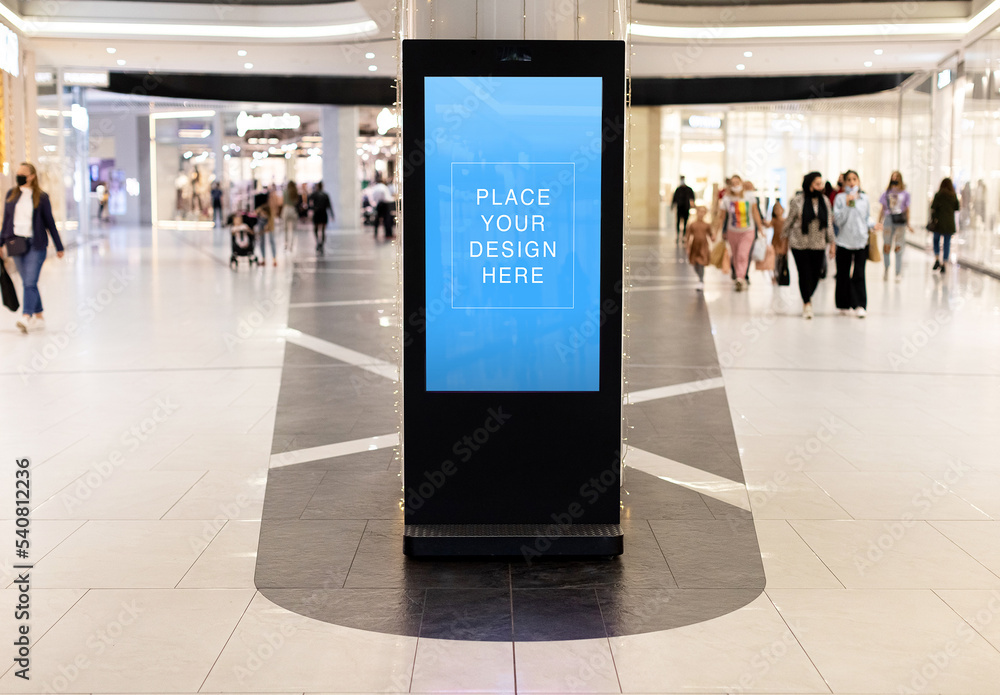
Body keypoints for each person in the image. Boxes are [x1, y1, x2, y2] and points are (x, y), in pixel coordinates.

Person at [0, 162, 65, 333]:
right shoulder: (11, 194)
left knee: (30, 281)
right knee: (29, 282)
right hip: (16, 244)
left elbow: (50, 222)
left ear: (32, 176)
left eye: (23, 174)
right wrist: (0, 243)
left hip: (36, 244)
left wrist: (59, 246)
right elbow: (6, 221)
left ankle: (26, 316)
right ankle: (39, 317)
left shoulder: (41, 197)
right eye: (18, 173)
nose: (19, 177)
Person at [784, 172, 836, 319]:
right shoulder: (797, 201)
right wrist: (782, 240)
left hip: (818, 244)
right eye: (817, 184)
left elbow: (829, 224)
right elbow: (789, 221)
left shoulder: (825, 201)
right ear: (809, 185)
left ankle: (807, 295)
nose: (821, 187)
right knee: (804, 273)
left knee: (816, 274)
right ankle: (807, 303)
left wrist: (832, 243)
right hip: (799, 244)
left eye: (821, 183)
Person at [832, 170, 874, 318]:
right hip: (844, 241)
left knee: (859, 273)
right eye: (848, 180)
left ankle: (860, 304)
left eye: (854, 179)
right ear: (844, 183)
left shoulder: (864, 198)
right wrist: (848, 205)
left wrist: (873, 225)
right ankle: (843, 304)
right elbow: (838, 221)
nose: (851, 182)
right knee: (843, 274)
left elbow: (867, 218)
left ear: (858, 181)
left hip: (861, 241)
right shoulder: (840, 198)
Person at [715, 174, 766, 292]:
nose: (735, 186)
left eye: (737, 183)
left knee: (743, 255)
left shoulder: (749, 197)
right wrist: (716, 232)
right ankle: (738, 275)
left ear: (741, 183)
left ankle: (740, 278)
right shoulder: (727, 199)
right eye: (733, 184)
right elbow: (722, 217)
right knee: (735, 255)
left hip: (748, 231)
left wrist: (760, 229)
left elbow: (755, 213)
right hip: (732, 231)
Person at [878, 171, 912, 281]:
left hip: (900, 220)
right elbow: (882, 208)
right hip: (888, 219)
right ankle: (886, 268)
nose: (895, 179)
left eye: (897, 177)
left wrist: (908, 223)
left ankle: (898, 272)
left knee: (898, 246)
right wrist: (879, 222)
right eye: (893, 177)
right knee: (886, 245)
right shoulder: (886, 193)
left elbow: (907, 209)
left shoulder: (905, 194)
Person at [930, 177, 960, 274]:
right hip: (949, 223)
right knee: (947, 243)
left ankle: (937, 259)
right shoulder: (953, 196)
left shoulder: (938, 195)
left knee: (936, 240)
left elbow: (933, 208)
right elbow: (957, 208)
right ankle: (944, 263)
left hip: (938, 222)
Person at [685, 206, 714, 290]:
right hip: (695, 246)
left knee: (701, 263)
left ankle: (701, 280)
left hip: (703, 246)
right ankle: (699, 277)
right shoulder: (692, 224)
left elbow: (711, 235)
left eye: (703, 212)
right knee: (695, 263)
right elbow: (688, 236)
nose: (701, 214)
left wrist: (713, 237)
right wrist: (687, 246)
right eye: (700, 212)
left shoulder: (707, 225)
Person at [367, 176, 395, 240]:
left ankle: (375, 233)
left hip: (379, 204)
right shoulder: (384, 187)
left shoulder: (375, 188)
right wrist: (393, 199)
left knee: (377, 219)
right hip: (385, 205)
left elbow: (373, 197)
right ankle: (388, 234)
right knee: (387, 219)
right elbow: (387, 198)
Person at [309, 182, 333, 253]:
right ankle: (321, 244)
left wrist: (312, 208)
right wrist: (332, 215)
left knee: (316, 229)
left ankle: (318, 242)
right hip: (323, 213)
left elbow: (309, 201)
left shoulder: (314, 194)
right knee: (323, 230)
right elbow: (329, 206)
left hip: (317, 213)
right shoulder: (325, 195)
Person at [671, 176, 695, 243]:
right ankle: (678, 236)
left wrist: (693, 205)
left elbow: (692, 198)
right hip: (679, 208)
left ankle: (684, 236)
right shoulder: (678, 189)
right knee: (678, 222)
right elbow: (674, 198)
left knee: (685, 223)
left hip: (686, 208)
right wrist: (672, 206)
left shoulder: (688, 189)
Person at [770, 198, 788, 286]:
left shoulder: (785, 221)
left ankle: (781, 274)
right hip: (775, 241)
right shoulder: (774, 220)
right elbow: (768, 224)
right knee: (775, 259)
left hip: (783, 242)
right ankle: (775, 274)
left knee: (783, 259)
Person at [282, 181, 299, 251]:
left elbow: (283, 202)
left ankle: (286, 244)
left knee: (285, 228)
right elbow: (296, 202)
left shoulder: (285, 192)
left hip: (286, 209)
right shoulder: (295, 192)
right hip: (292, 209)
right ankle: (291, 245)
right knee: (293, 229)